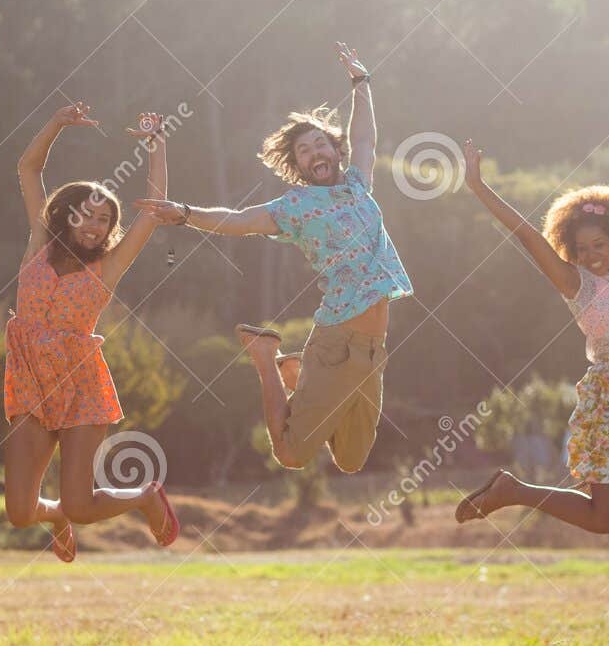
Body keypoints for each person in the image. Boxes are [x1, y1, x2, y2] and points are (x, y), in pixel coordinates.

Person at [135, 43, 412, 474]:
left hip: (374, 347)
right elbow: (238, 220)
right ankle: (266, 356)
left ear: (335, 152)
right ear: (298, 166)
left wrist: (361, 83)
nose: (315, 153)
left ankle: (296, 374)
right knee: (291, 454)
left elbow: (364, 136)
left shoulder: (358, 184)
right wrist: (186, 215)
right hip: (337, 338)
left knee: (352, 461)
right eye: (304, 151)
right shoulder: (294, 208)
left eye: (321, 144)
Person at [454, 105, 609, 535]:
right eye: (582, 248)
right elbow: (527, 236)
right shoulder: (577, 285)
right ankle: (515, 491)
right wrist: (478, 186)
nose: (590, 255)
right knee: (604, 520)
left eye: (599, 245)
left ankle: (607, 482)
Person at [3, 103, 177, 562]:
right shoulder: (39, 244)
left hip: (80, 387)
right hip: (29, 383)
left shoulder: (109, 267)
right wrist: (57, 123)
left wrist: (157, 146)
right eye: (87, 215)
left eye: (105, 220)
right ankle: (53, 516)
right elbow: (28, 167)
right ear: (67, 215)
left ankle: (144, 496)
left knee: (82, 504)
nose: (96, 226)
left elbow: (156, 208)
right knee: (20, 512)